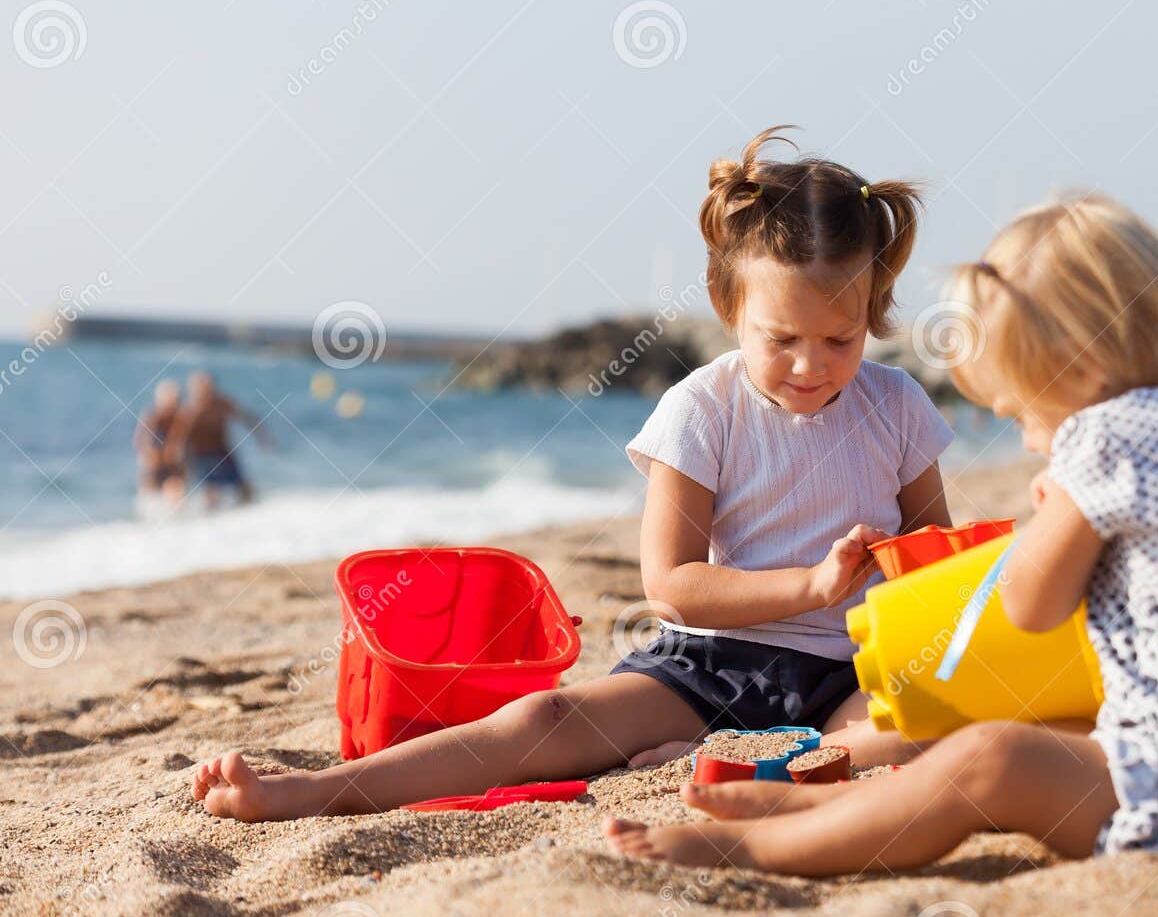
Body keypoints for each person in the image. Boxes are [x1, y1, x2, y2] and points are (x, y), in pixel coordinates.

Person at [605, 193, 1158, 873]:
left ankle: (755, 849)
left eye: (1022, 409)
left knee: (992, 757)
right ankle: (814, 806)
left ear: (1072, 367)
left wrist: (1053, 515)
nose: (1028, 438)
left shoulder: (1107, 440)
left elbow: (1028, 604)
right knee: (1037, 728)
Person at [194, 126, 953, 822]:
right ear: (729, 306)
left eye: (841, 339)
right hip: (712, 665)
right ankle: (314, 790)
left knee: (926, 728)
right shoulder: (702, 409)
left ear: (873, 310)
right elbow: (672, 584)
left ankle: (749, 759)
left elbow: (938, 561)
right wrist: (811, 586)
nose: (811, 365)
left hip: (855, 667)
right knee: (547, 719)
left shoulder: (896, 405)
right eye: (782, 338)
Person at [166, 371, 271, 509]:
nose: (205, 392)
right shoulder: (191, 411)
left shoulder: (222, 404)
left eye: (208, 387)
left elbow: (246, 418)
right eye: (200, 389)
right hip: (201, 456)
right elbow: (178, 436)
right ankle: (195, 511)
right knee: (209, 490)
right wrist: (177, 453)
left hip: (223, 452)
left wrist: (262, 437)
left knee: (244, 488)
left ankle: (245, 512)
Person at [132, 379, 186, 504]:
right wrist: (151, 456)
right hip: (154, 464)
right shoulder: (151, 416)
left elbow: (180, 443)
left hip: (173, 465)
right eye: (170, 400)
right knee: (149, 497)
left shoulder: (181, 417)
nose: (173, 404)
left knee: (176, 493)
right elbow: (138, 442)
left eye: (175, 400)